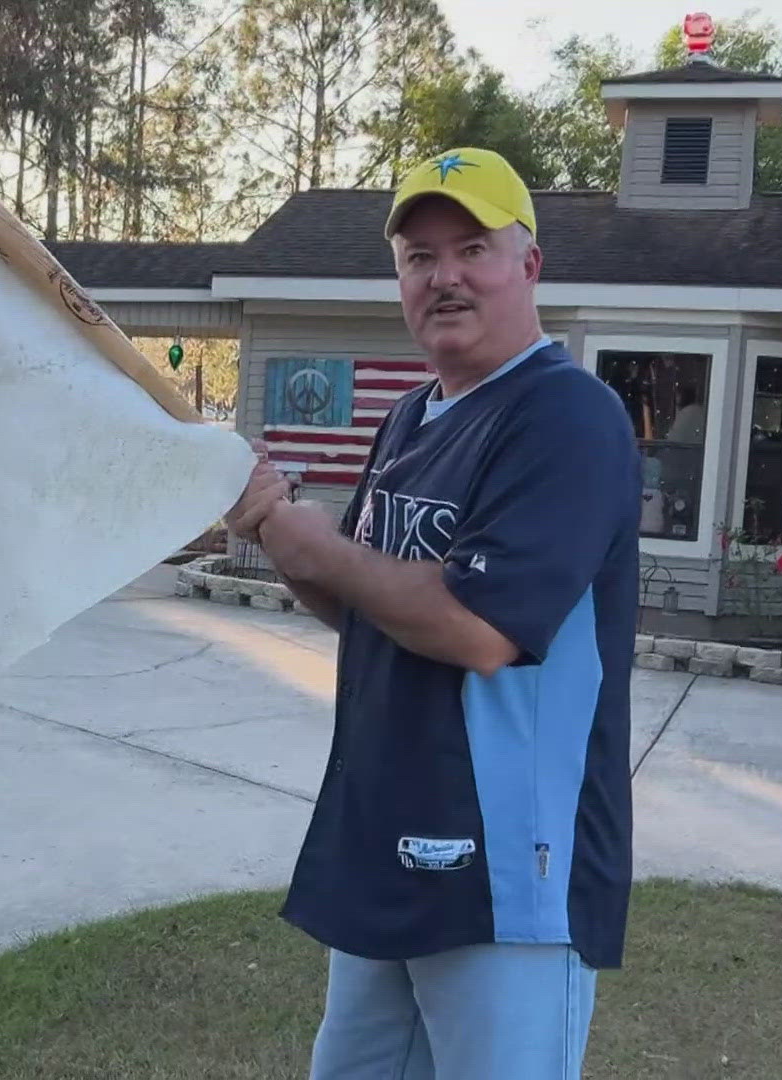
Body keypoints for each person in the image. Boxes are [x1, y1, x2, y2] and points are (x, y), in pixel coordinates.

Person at [225, 147, 641, 1079]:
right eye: (419, 256)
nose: (444, 276)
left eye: (471, 249)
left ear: (527, 265)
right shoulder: (411, 418)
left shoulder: (567, 418)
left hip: (508, 874)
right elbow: (374, 608)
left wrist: (304, 533)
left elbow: (475, 628)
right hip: (389, 843)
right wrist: (272, 525)